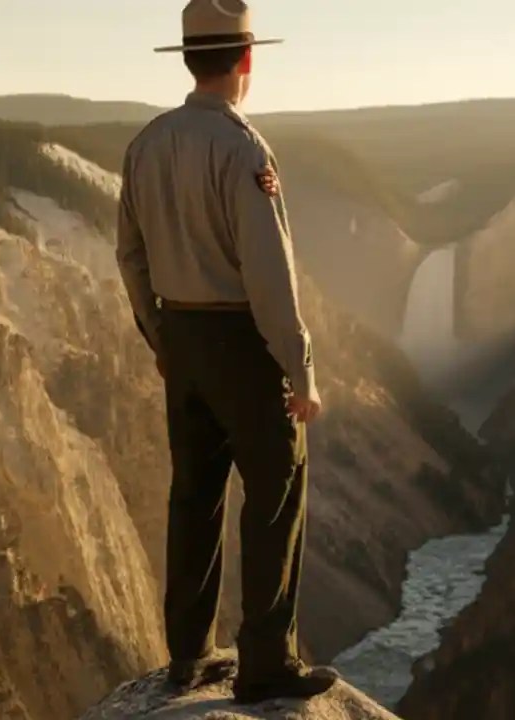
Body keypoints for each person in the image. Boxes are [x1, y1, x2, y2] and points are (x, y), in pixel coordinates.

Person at [115, 0, 339, 705]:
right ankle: (267, 662)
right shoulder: (245, 152)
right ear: (246, 59)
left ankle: (188, 654)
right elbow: (269, 276)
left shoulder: (146, 144)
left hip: (179, 337)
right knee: (277, 489)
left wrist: (159, 336)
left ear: (188, 60)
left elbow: (130, 254)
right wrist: (299, 371)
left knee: (195, 493)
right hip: (242, 341)